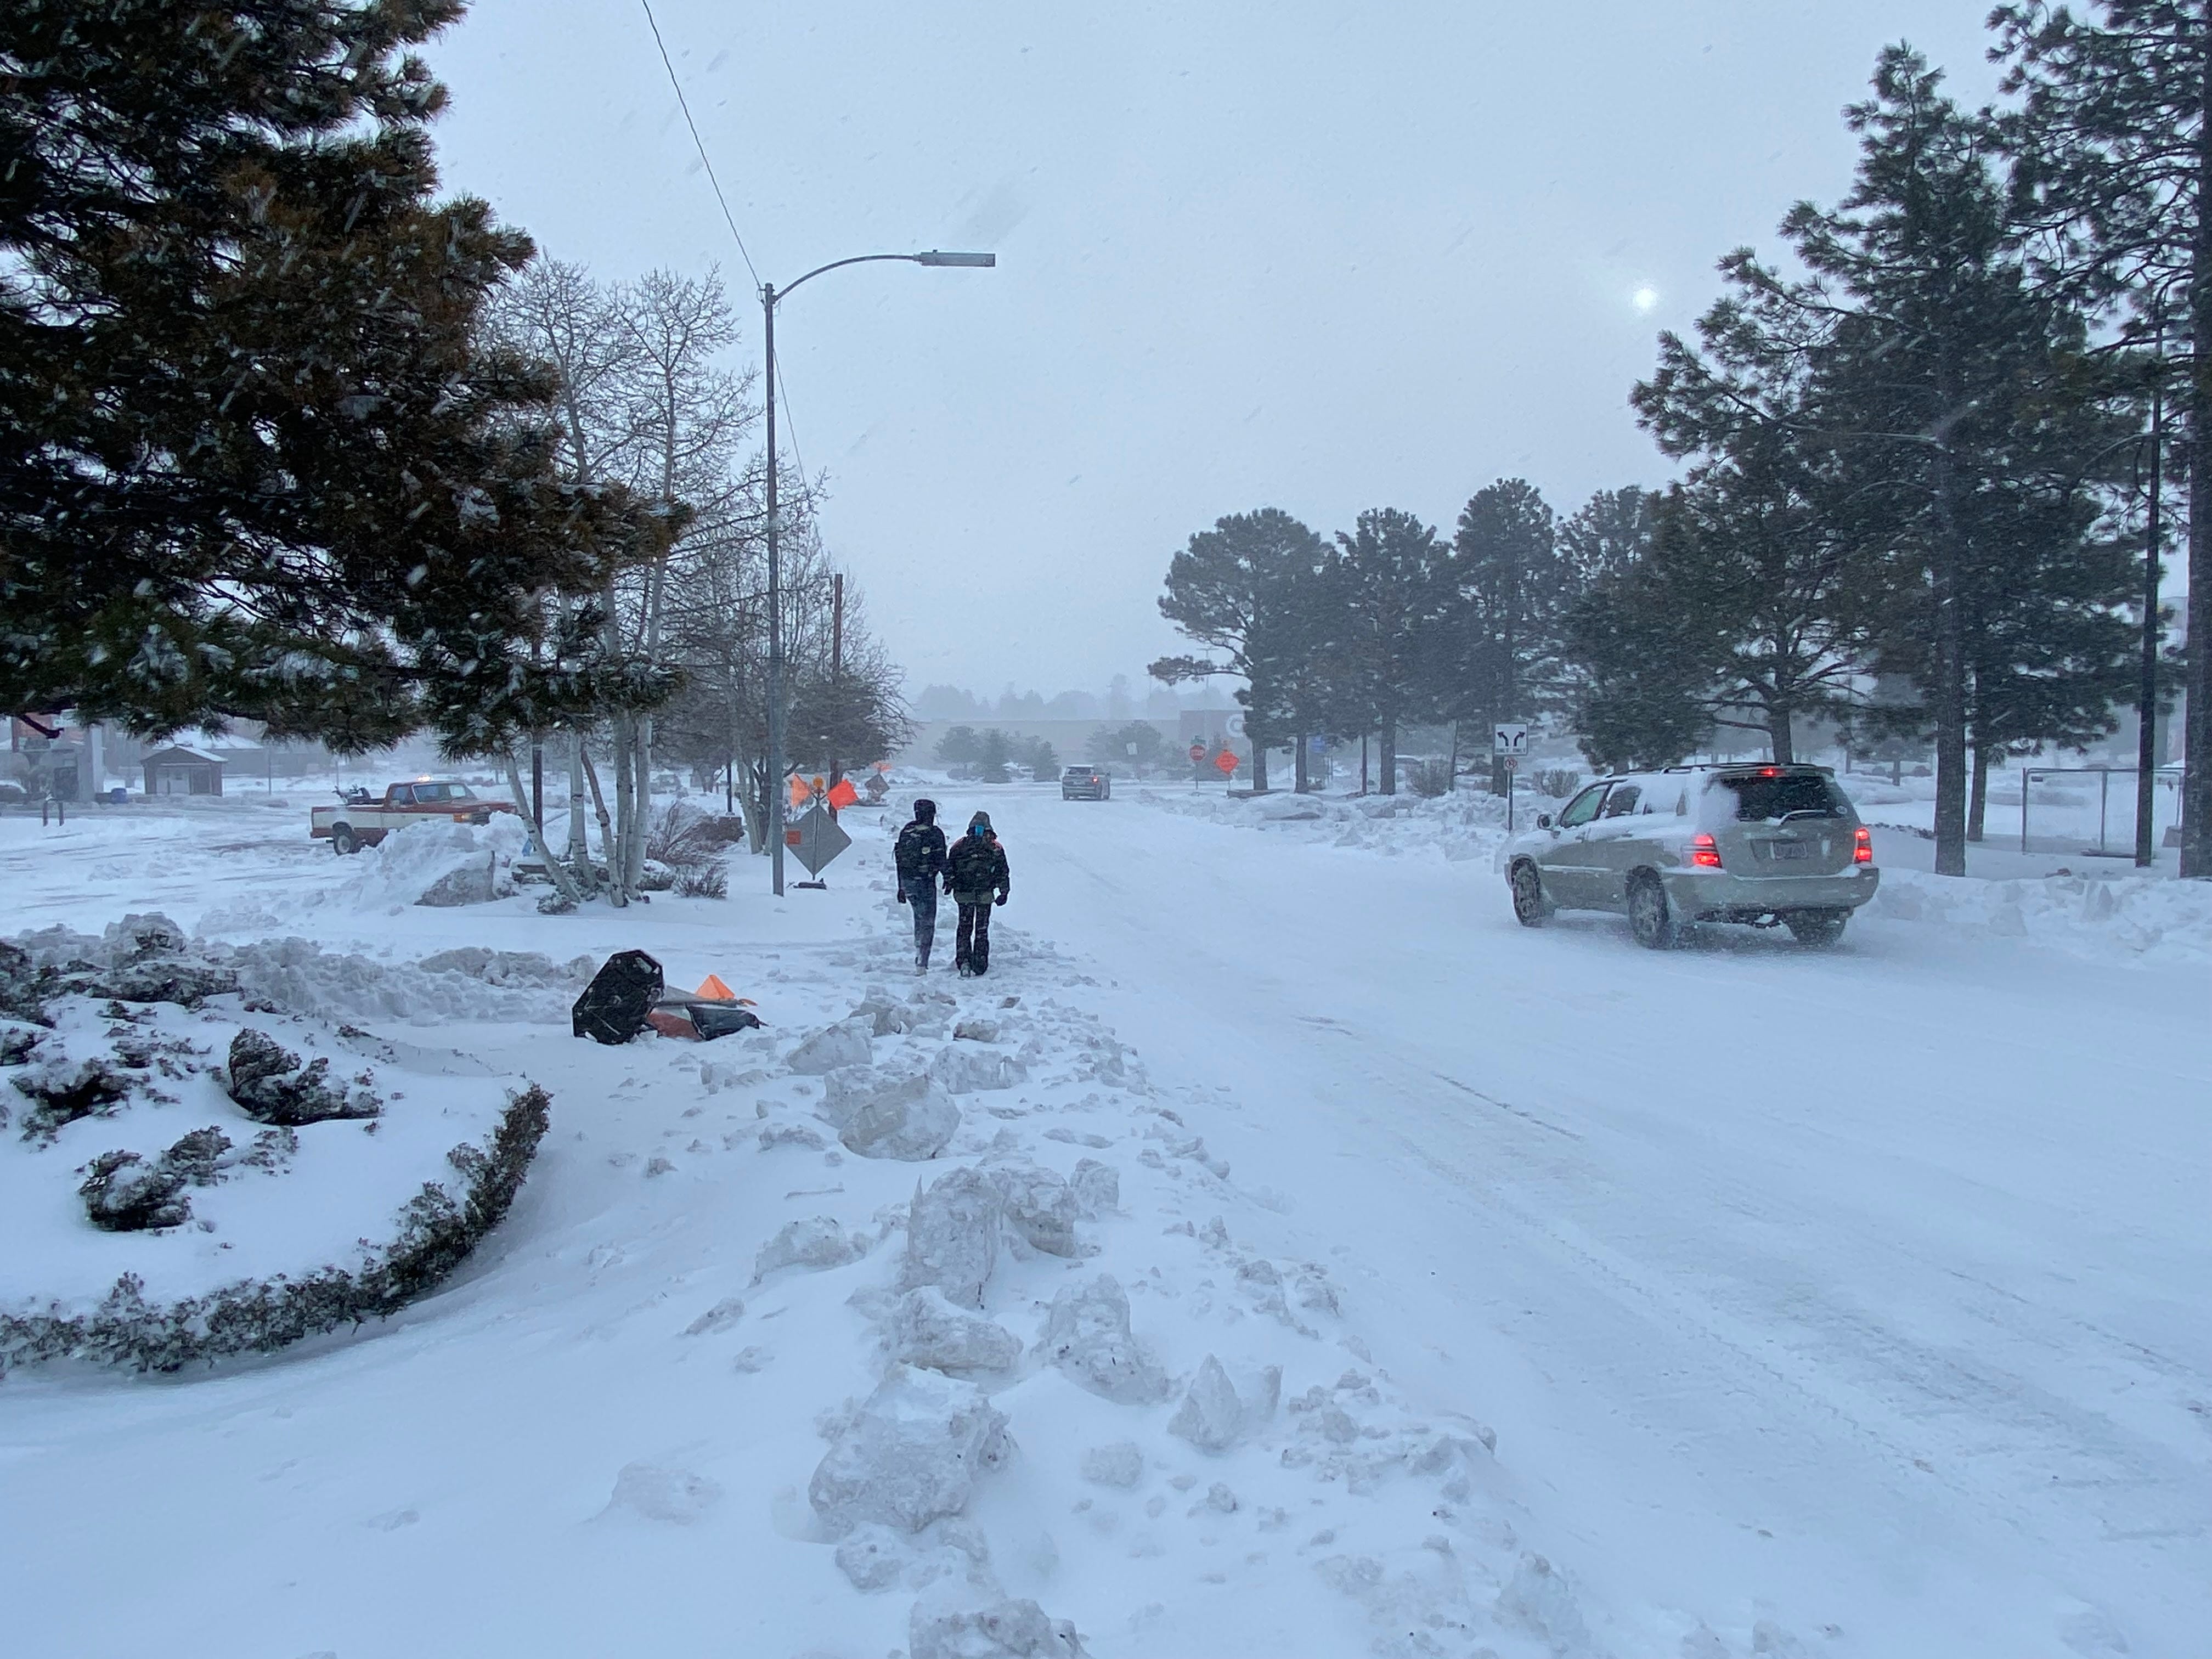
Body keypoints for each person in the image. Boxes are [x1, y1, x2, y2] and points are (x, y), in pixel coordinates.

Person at [944, 809, 1010, 976]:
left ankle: (964, 960)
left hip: (964, 893)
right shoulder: (995, 847)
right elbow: (1003, 871)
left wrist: (950, 883)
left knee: (964, 927)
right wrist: (1004, 891)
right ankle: (980, 963)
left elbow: (949, 867)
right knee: (982, 928)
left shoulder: (960, 845)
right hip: (985, 895)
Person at [893, 798, 949, 971]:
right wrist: (949, 878)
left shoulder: (907, 831)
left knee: (918, 916)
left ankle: (919, 948)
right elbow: (941, 860)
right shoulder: (935, 833)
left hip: (908, 882)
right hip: (926, 882)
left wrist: (901, 887)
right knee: (928, 921)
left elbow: (899, 860)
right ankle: (923, 959)